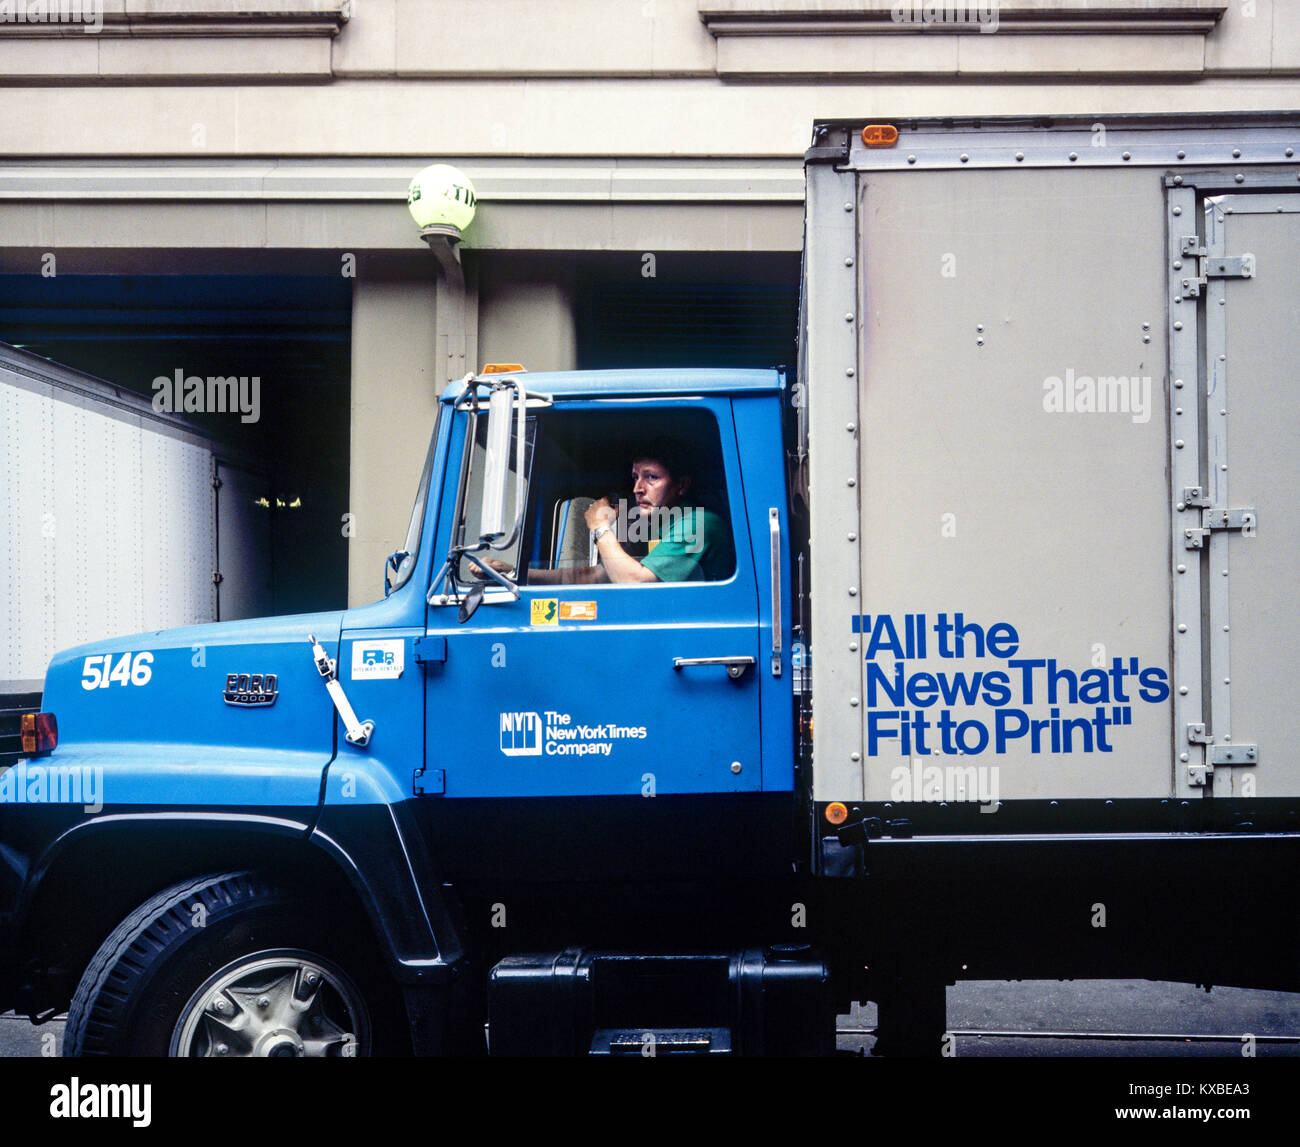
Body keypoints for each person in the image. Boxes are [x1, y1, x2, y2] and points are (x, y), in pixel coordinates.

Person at [487, 441, 732, 585]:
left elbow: (635, 582)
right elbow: (599, 574)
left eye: (652, 478)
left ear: (681, 485)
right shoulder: (658, 523)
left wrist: (600, 528)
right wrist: (511, 571)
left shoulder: (698, 523)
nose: (638, 488)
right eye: (636, 477)